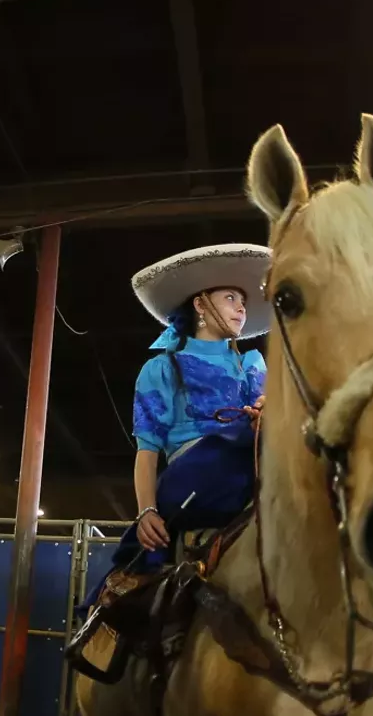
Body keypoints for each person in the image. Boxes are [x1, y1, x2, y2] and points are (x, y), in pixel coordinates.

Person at [105, 244, 271, 583]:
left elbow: (265, 427)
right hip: (193, 472)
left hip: (247, 463)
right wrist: (146, 510)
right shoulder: (162, 368)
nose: (241, 307)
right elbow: (148, 450)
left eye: (243, 301)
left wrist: (268, 415)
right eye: (230, 298)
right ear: (200, 304)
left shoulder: (251, 365)